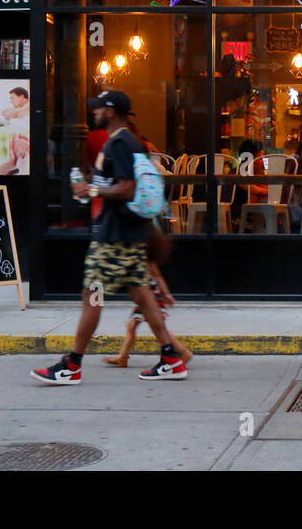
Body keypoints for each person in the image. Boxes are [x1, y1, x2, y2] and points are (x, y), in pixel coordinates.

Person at [32, 90, 189, 384]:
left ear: (112, 111)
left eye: (99, 108)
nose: (93, 112)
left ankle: (72, 364)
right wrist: (91, 183)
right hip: (127, 235)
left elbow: (127, 189)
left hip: (113, 238)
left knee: (92, 296)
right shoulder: (123, 142)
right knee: (143, 295)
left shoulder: (120, 143)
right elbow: (118, 183)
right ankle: (171, 358)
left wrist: (90, 190)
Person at [104, 260, 194, 368]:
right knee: (133, 325)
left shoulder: (144, 253)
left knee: (157, 326)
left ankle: (184, 353)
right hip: (146, 292)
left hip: (150, 295)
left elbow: (157, 275)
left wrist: (166, 294)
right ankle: (122, 357)